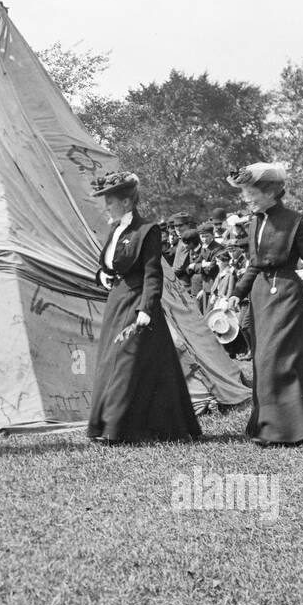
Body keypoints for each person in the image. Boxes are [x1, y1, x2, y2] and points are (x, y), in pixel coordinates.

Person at [85, 171, 201, 445]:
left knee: (125, 363)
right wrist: (103, 276)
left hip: (137, 304)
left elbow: (152, 273)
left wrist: (146, 309)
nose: (106, 208)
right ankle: (118, 426)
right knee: (126, 364)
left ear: (126, 203)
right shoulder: (116, 230)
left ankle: (116, 428)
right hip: (116, 302)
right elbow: (108, 266)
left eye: (110, 202)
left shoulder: (147, 230)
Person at [227, 162, 303, 445]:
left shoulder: (297, 220)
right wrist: (237, 292)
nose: (247, 198)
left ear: (271, 192)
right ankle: (268, 424)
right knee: (262, 360)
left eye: (251, 192)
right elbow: (253, 264)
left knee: (279, 359)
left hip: (286, 294)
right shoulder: (254, 223)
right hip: (260, 295)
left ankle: (289, 429)